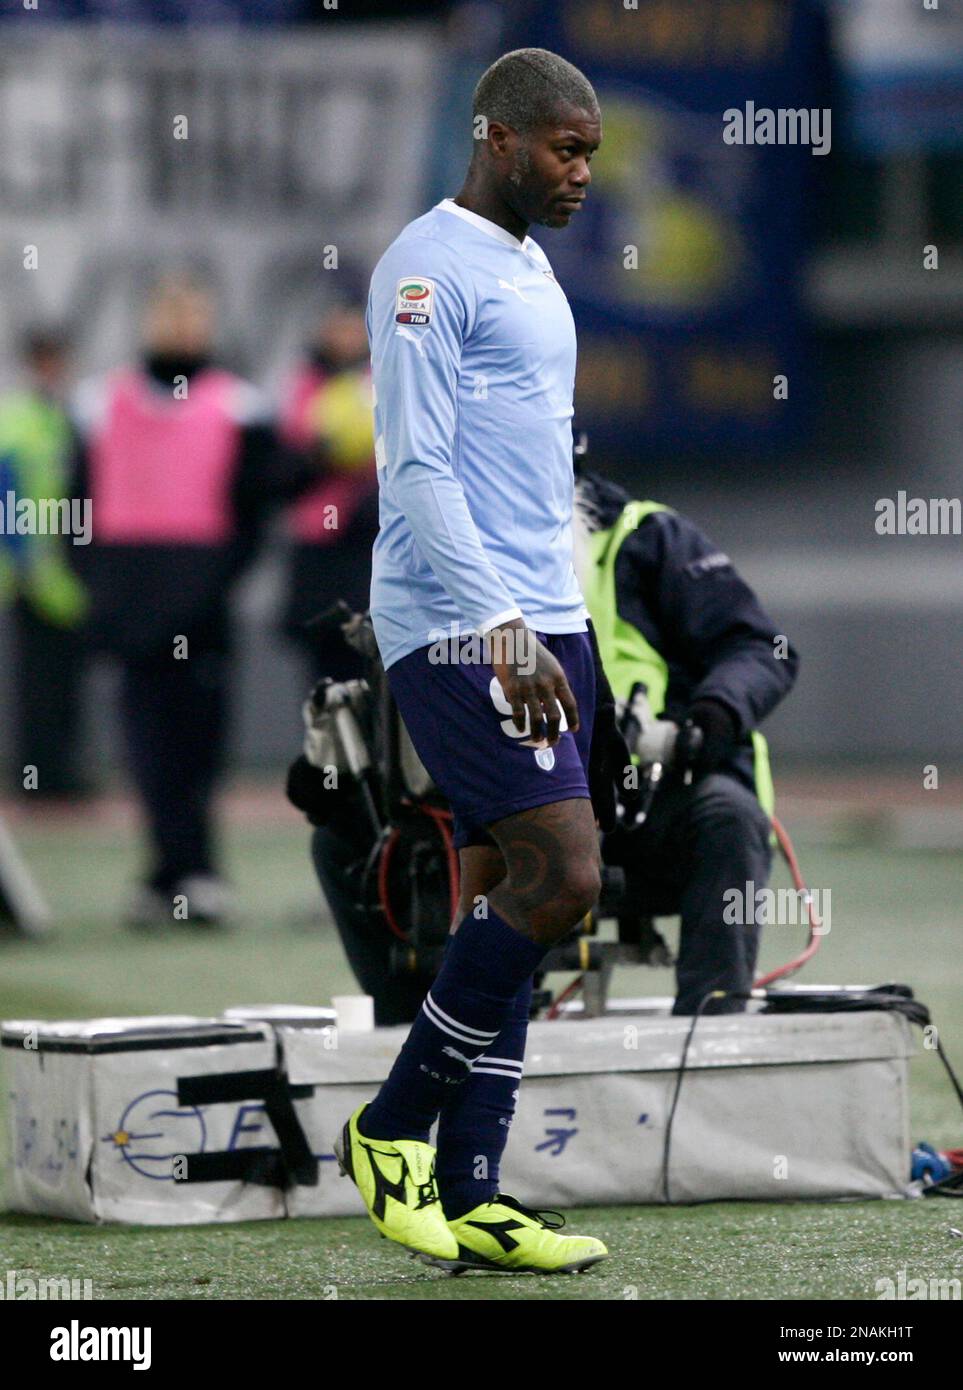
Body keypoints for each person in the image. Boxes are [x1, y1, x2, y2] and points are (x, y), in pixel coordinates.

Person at [333, 48, 609, 1275]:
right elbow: (420, 471)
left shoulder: (530, 266)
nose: (583, 173)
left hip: (550, 620)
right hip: (460, 625)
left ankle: (477, 1188)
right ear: (496, 137)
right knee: (567, 876)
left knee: (516, 896)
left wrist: (555, 613)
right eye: (565, 149)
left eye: (592, 152)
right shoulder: (425, 269)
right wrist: (500, 621)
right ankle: (390, 1130)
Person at [73, 274, 303, 928]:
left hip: (199, 610)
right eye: (168, 313)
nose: (178, 327)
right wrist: (97, 584)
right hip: (129, 603)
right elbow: (75, 505)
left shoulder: (238, 407)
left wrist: (212, 586)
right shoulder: (98, 404)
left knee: (197, 743)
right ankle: (168, 873)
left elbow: (253, 513)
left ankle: (194, 871)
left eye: (191, 314)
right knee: (144, 747)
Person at [574, 462, 799, 1015]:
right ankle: (414, 1043)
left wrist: (713, 716)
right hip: (516, 808)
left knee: (728, 817)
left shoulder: (650, 538)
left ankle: (711, 1030)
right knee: (358, 843)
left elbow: (759, 648)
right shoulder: (447, 547)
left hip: (648, 807)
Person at [0, 330, 90, 798]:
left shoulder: (65, 418)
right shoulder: (16, 419)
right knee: (36, 685)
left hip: (69, 577)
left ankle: (62, 774)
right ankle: (38, 778)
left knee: (66, 683)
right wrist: (21, 560)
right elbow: (6, 492)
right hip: (31, 575)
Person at [278, 305, 379, 684]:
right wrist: (321, 454)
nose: (345, 336)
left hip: (369, 552)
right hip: (319, 560)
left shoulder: (386, 379)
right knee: (324, 684)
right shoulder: (301, 387)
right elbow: (280, 478)